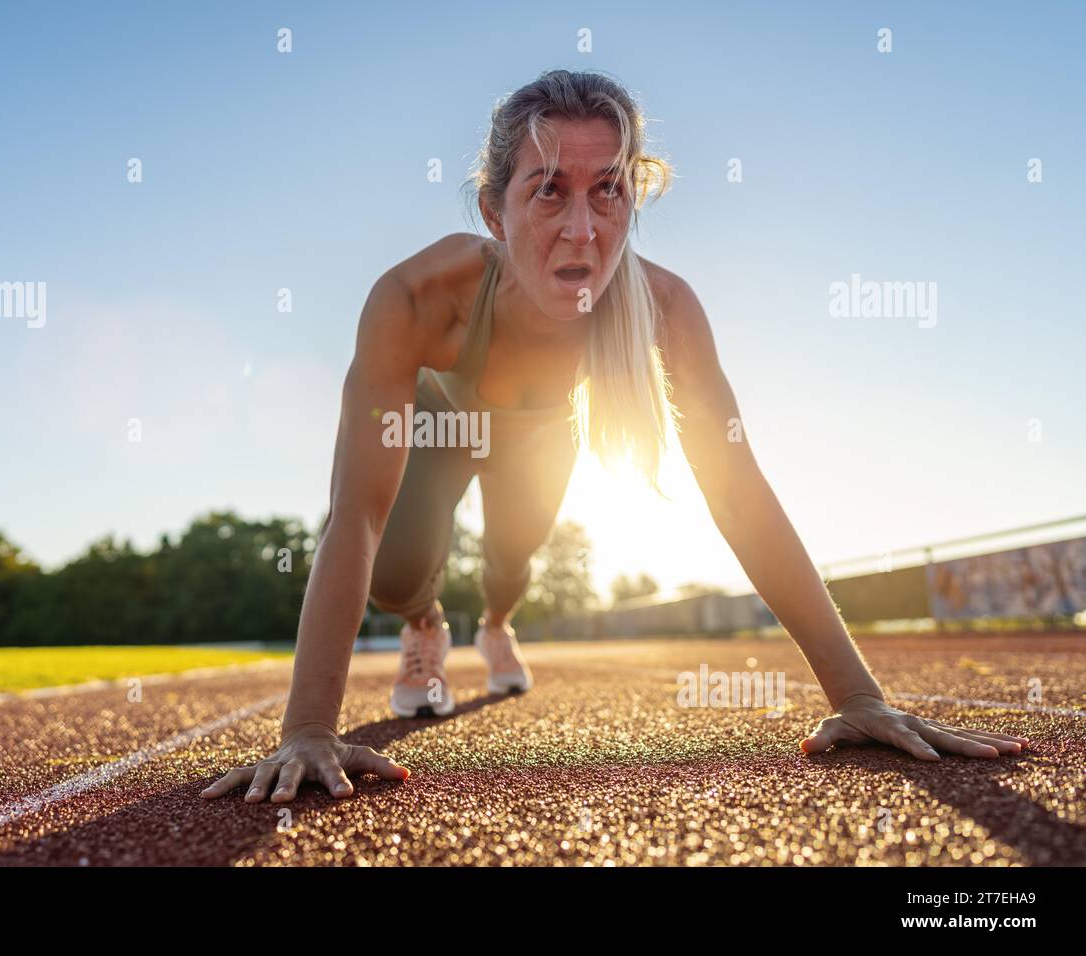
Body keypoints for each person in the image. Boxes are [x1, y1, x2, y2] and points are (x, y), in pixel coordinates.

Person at [201, 69, 1029, 805]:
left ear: (634, 200)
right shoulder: (417, 297)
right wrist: (307, 726)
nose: (582, 228)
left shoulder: (666, 309)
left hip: (539, 435)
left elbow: (740, 494)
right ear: (495, 208)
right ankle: (426, 625)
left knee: (513, 562)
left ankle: (496, 626)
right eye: (548, 190)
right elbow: (356, 512)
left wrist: (858, 696)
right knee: (394, 568)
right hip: (441, 420)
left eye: (609, 191)